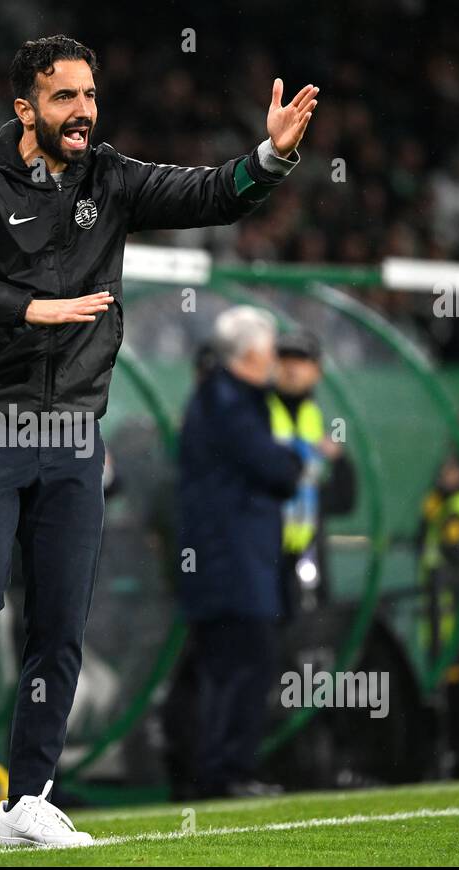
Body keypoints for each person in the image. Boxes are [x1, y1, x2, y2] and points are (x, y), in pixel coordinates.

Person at [0, 34, 316, 848]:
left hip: (72, 432)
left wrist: (269, 157)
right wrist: (27, 308)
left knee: (60, 622)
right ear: (26, 109)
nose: (83, 111)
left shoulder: (111, 176)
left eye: (89, 95)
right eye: (64, 98)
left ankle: (27, 801)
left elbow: (209, 195)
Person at [165, 306, 302, 799]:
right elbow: (276, 469)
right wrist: (292, 461)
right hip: (231, 562)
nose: (274, 364)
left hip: (228, 560)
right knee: (245, 661)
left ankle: (219, 771)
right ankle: (225, 772)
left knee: (229, 665)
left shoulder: (218, 398)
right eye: (268, 354)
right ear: (247, 355)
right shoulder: (231, 402)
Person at [268, 328, 356, 615]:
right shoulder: (257, 409)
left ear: (317, 370)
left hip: (304, 552)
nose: (292, 367)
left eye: (301, 359)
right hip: (263, 547)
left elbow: (342, 500)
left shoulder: (314, 419)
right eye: (285, 358)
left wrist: (340, 460)